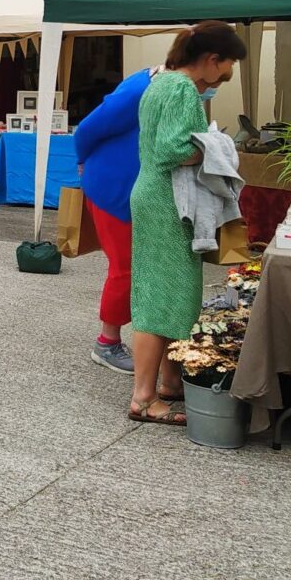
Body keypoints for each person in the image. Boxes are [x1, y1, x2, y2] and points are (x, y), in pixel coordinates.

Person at [128, 21, 246, 425]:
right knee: (162, 296)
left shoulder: (160, 82)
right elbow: (173, 149)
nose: (226, 74)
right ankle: (144, 397)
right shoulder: (181, 88)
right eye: (228, 64)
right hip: (168, 199)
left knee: (165, 290)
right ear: (212, 60)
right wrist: (217, 147)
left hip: (153, 194)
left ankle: (169, 381)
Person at [72, 65, 159, 375]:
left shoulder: (155, 84)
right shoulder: (140, 89)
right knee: (126, 266)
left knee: (132, 265)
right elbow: (87, 128)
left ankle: (124, 339)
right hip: (113, 188)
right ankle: (107, 343)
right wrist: (82, 159)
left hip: (127, 187)